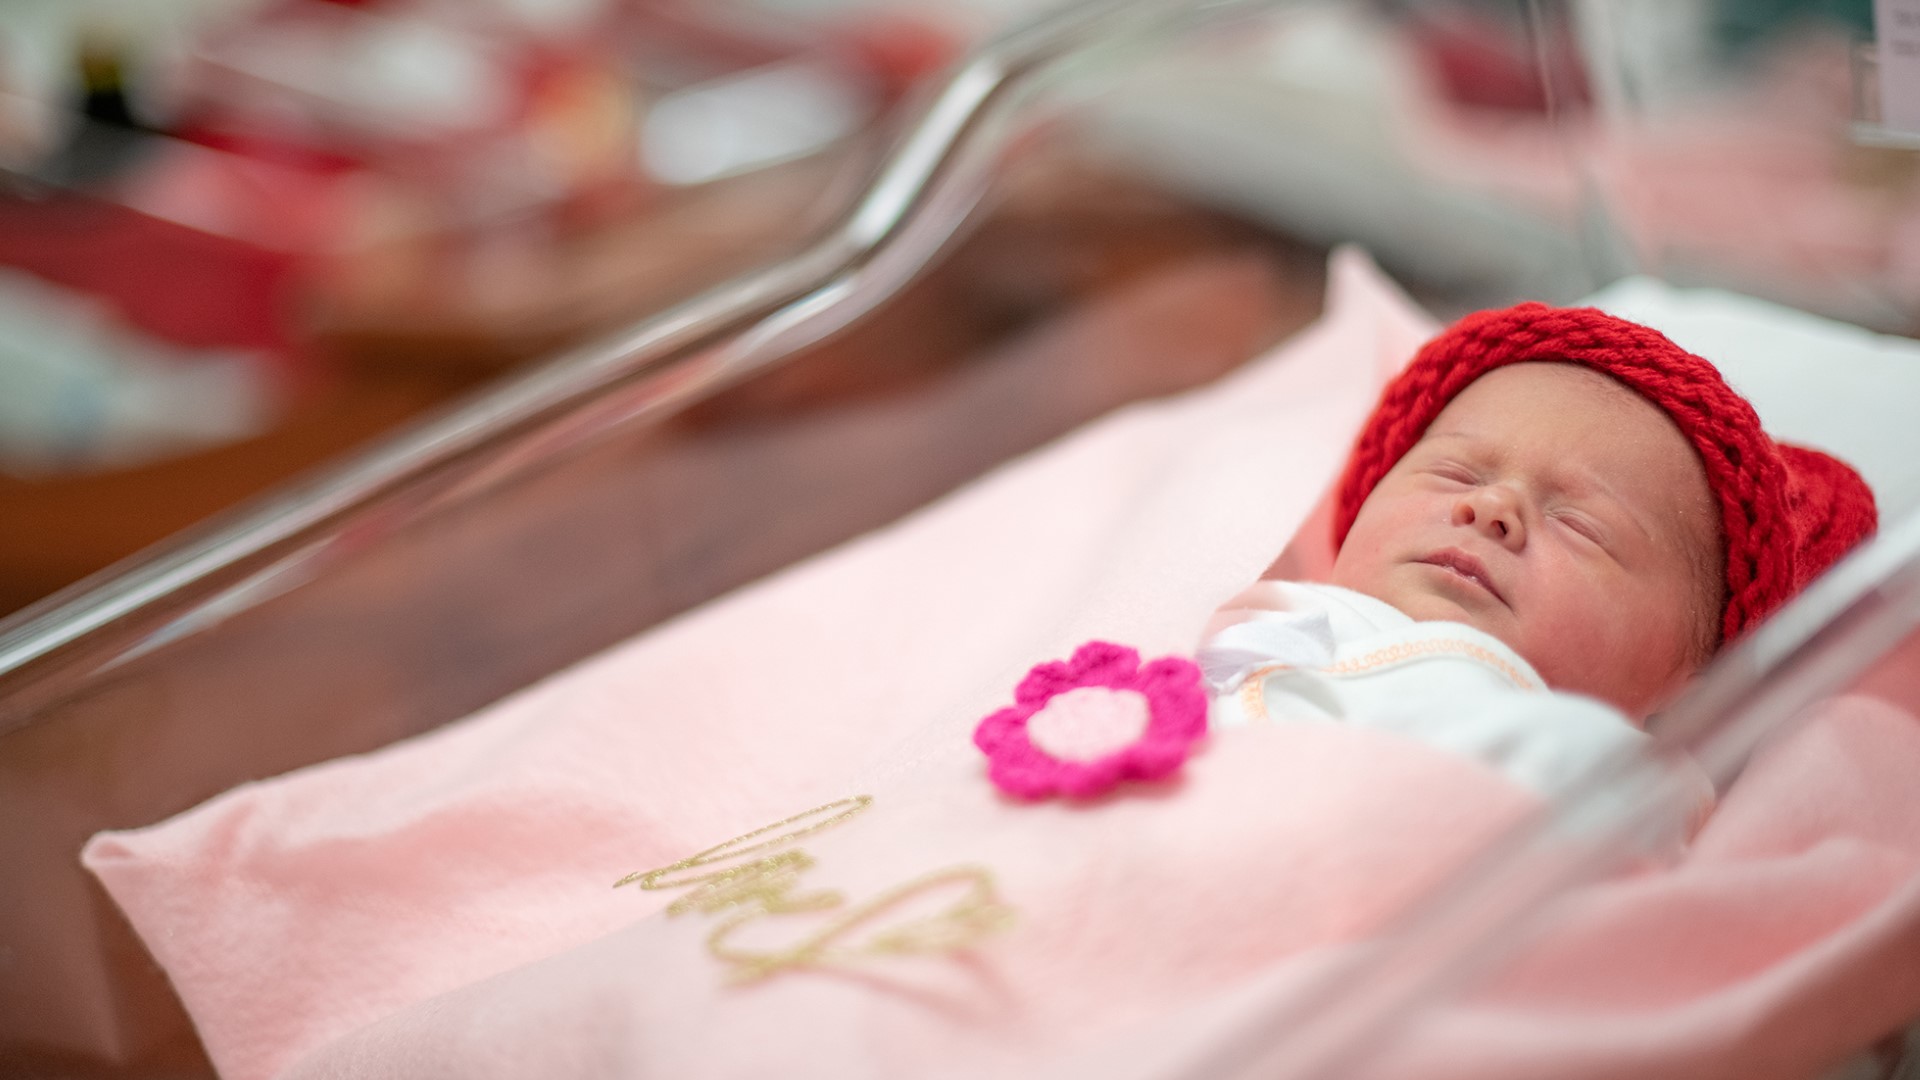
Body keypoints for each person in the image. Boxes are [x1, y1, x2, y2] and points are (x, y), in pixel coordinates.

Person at [1198, 302, 1877, 804]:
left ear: (1687, 684)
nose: (1492, 509)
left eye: (1582, 524)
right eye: (1455, 474)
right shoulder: (1249, 604)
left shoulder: (1609, 771)